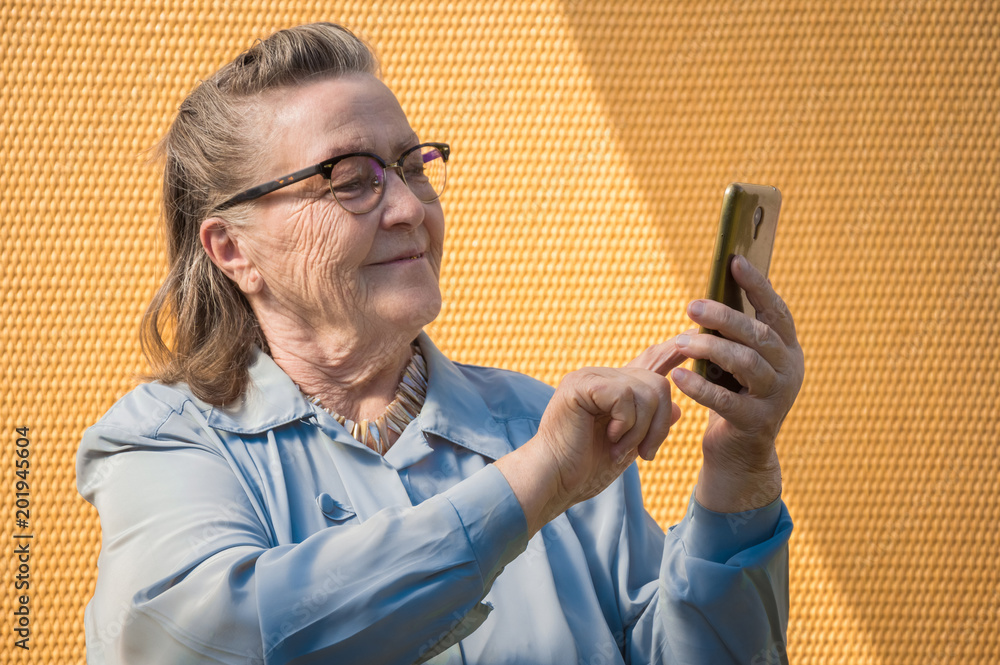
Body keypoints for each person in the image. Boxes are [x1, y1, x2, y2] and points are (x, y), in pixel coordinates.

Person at [77, 22, 803, 665]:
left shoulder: (540, 421)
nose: (407, 208)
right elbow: (213, 639)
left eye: (413, 165)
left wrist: (740, 463)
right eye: (349, 179)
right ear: (233, 248)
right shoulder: (163, 443)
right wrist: (537, 483)